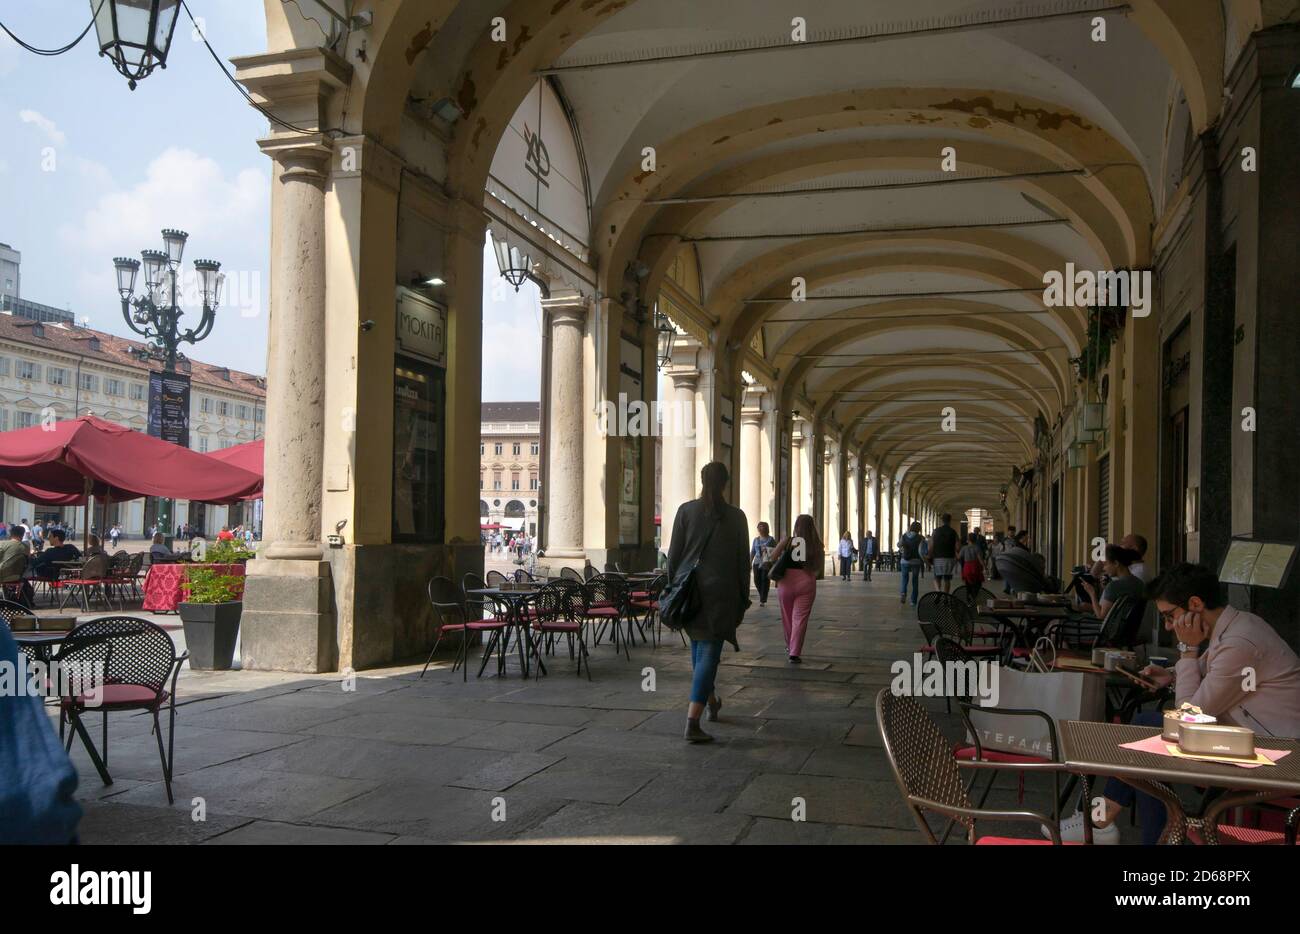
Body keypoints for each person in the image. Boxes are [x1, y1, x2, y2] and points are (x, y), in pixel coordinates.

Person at [1057, 563, 1300, 844]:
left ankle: (1107, 822)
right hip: (1254, 737)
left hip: (1278, 753)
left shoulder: (1240, 642)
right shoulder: (1238, 625)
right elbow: (1210, 670)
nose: (1169, 626)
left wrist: (1187, 650)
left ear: (1195, 604)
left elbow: (1188, 719)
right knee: (1146, 728)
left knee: (1153, 733)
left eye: (1170, 616)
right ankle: (1113, 824)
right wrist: (1171, 675)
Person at [666, 462, 750, 744]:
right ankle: (692, 722)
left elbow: (673, 557)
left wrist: (675, 587)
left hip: (690, 594)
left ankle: (711, 701)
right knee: (709, 657)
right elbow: (742, 564)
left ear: (701, 480)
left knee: (700, 651)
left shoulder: (685, 511)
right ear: (726, 483)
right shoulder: (737, 517)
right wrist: (742, 599)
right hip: (721, 596)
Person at [770, 513, 822, 663]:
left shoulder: (789, 541)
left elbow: (772, 557)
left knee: (787, 617)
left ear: (796, 526)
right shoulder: (816, 544)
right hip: (806, 583)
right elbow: (818, 567)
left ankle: (789, 645)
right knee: (800, 618)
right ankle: (794, 652)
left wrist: (781, 546)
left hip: (786, 583)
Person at [1078, 544, 1144, 618]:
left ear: (1116, 563)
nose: (1104, 568)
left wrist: (1092, 593)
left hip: (1110, 629)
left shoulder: (1114, 586)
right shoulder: (1139, 583)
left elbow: (1101, 617)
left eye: (1105, 564)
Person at [927, 513, 959, 594]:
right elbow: (958, 547)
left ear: (942, 520)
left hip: (937, 558)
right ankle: (946, 595)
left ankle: (938, 592)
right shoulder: (953, 532)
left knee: (937, 578)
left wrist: (929, 556)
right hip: (949, 558)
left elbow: (931, 546)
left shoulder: (935, 531)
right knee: (947, 579)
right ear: (950, 520)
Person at [749, 521, 777, 607]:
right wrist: (750, 562)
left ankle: (763, 599)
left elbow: (775, 550)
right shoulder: (756, 540)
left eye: (763, 526)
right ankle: (762, 594)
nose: (761, 528)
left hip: (766, 562)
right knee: (756, 580)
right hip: (757, 562)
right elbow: (753, 551)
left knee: (764, 580)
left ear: (766, 528)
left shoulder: (771, 539)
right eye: (760, 527)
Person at [897, 521, 924, 606]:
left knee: (904, 578)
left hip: (905, 560)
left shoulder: (904, 536)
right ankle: (913, 601)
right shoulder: (920, 538)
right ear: (919, 529)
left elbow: (898, 545)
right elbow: (921, 551)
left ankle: (903, 593)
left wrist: (903, 548)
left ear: (911, 527)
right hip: (916, 561)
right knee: (915, 580)